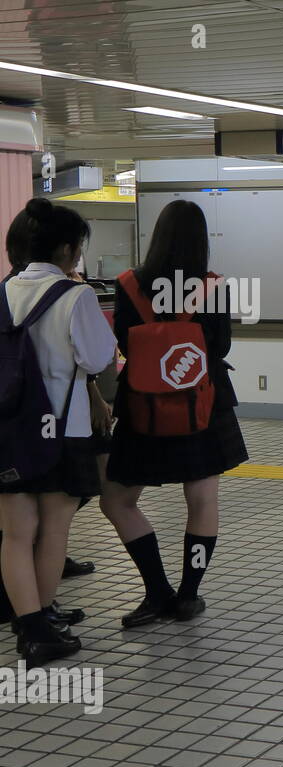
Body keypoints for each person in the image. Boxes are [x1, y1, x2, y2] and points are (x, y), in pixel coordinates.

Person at [99, 199, 249, 628]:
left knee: (118, 500)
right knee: (201, 500)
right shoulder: (211, 286)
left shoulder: (128, 284)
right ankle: (187, 594)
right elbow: (219, 347)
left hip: (143, 407)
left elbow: (126, 345)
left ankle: (155, 589)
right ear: (202, 241)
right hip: (203, 404)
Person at [0, 198, 116, 664]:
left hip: (7, 430)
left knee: (15, 532)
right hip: (61, 430)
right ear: (68, 249)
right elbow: (96, 358)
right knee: (54, 529)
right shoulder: (75, 295)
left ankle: (27, 626)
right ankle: (44, 623)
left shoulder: (3, 291)